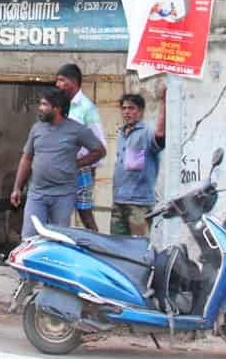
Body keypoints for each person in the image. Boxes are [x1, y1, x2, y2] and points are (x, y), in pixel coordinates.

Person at [10, 88, 105, 239]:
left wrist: (78, 163)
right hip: (37, 194)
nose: (40, 108)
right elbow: (27, 158)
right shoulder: (37, 129)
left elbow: (99, 151)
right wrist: (17, 188)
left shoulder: (77, 130)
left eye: (44, 104)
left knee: (58, 238)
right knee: (29, 238)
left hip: (63, 195)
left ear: (57, 108)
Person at [55, 63, 107, 232]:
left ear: (73, 82)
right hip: (60, 168)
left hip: (80, 168)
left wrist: (85, 167)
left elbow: (99, 145)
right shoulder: (60, 106)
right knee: (59, 212)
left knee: (85, 214)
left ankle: (97, 249)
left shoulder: (86, 108)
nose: (58, 84)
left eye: (61, 80)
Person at [111, 93, 167, 236]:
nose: (126, 112)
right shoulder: (121, 133)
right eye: (124, 108)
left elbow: (160, 136)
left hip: (139, 203)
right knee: (116, 246)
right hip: (119, 201)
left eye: (131, 108)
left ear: (141, 111)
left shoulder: (147, 132)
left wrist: (164, 103)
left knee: (138, 248)